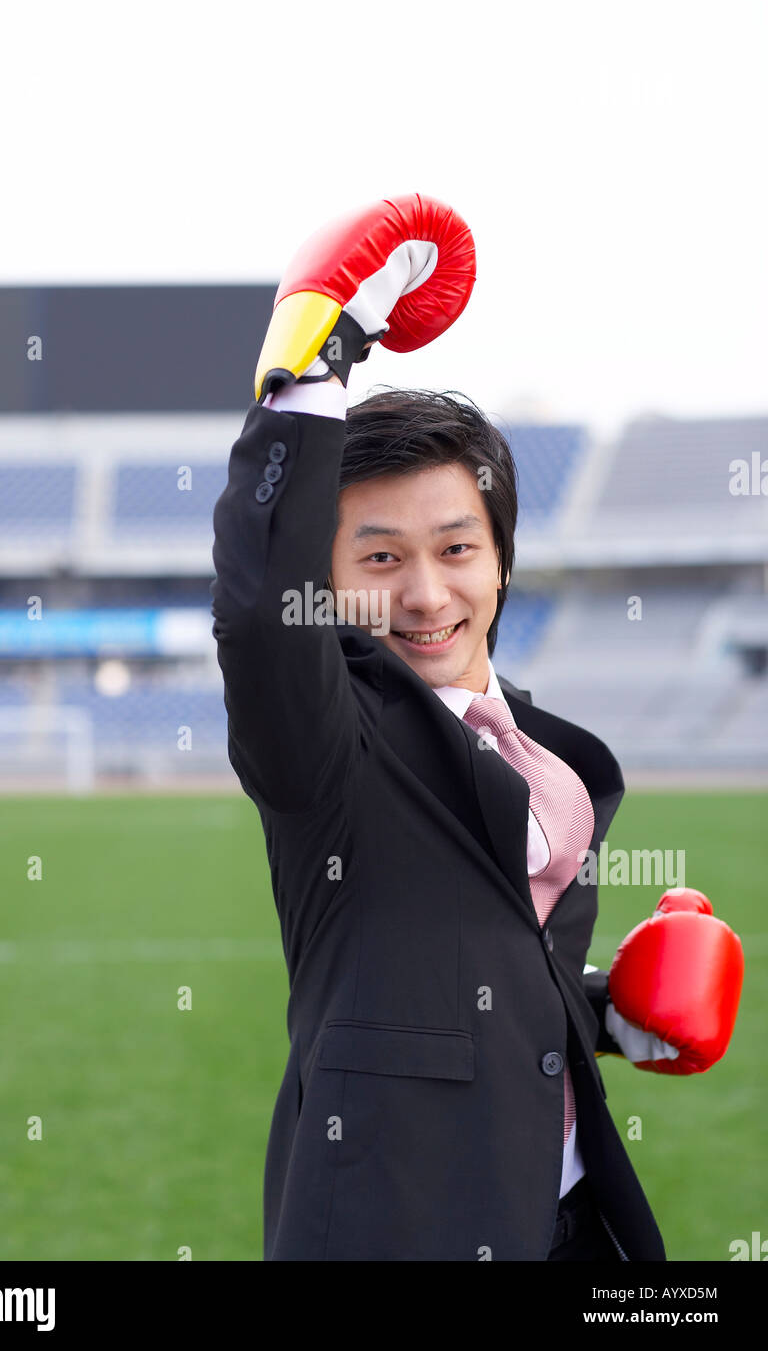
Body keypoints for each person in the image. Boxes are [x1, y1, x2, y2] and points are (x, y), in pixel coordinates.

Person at [210, 195, 743, 1261]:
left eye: (456, 549)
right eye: (377, 558)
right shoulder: (330, 751)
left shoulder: (547, 755)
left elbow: (468, 966)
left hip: (571, 1222)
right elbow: (263, 612)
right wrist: (309, 367)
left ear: (500, 560)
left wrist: (603, 1013)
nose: (423, 593)